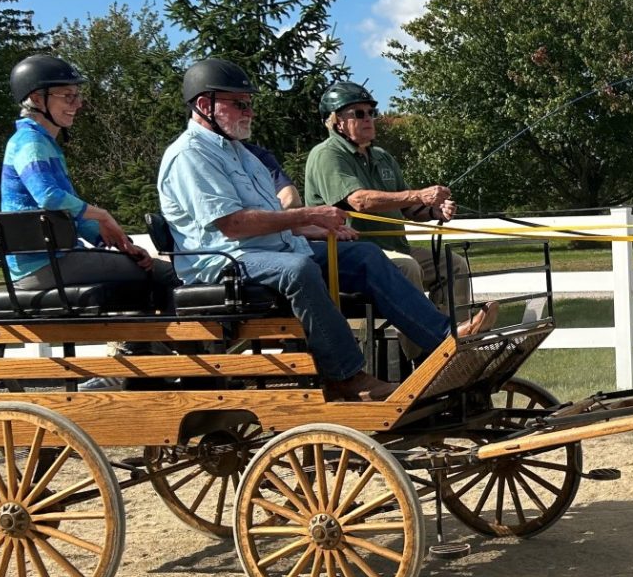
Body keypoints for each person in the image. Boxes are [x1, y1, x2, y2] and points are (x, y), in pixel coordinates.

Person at [156, 58, 492, 402]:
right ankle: (345, 376)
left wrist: (310, 228)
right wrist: (308, 214)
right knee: (297, 269)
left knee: (364, 255)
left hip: (268, 251)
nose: (250, 112)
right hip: (224, 263)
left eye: (250, 103)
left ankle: (444, 340)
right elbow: (232, 224)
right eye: (240, 104)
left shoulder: (241, 154)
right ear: (204, 105)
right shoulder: (190, 155)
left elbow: (268, 218)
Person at [1, 54, 177, 388]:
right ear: (36, 98)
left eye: (78, 95)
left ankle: (140, 363)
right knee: (166, 273)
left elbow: (70, 217)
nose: (78, 104)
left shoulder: (42, 143)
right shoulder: (30, 142)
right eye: (68, 96)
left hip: (52, 261)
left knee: (145, 270)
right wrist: (103, 214)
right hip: (44, 266)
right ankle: (148, 366)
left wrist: (119, 244)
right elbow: (49, 198)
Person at [304, 81, 486, 361]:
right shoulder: (327, 155)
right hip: (352, 256)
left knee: (453, 265)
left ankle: (458, 342)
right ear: (336, 121)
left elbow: (408, 208)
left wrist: (433, 211)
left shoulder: (381, 157)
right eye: (359, 113)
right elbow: (359, 200)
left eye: (371, 112)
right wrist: (419, 194)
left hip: (394, 248)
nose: (368, 119)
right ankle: (426, 357)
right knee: (407, 267)